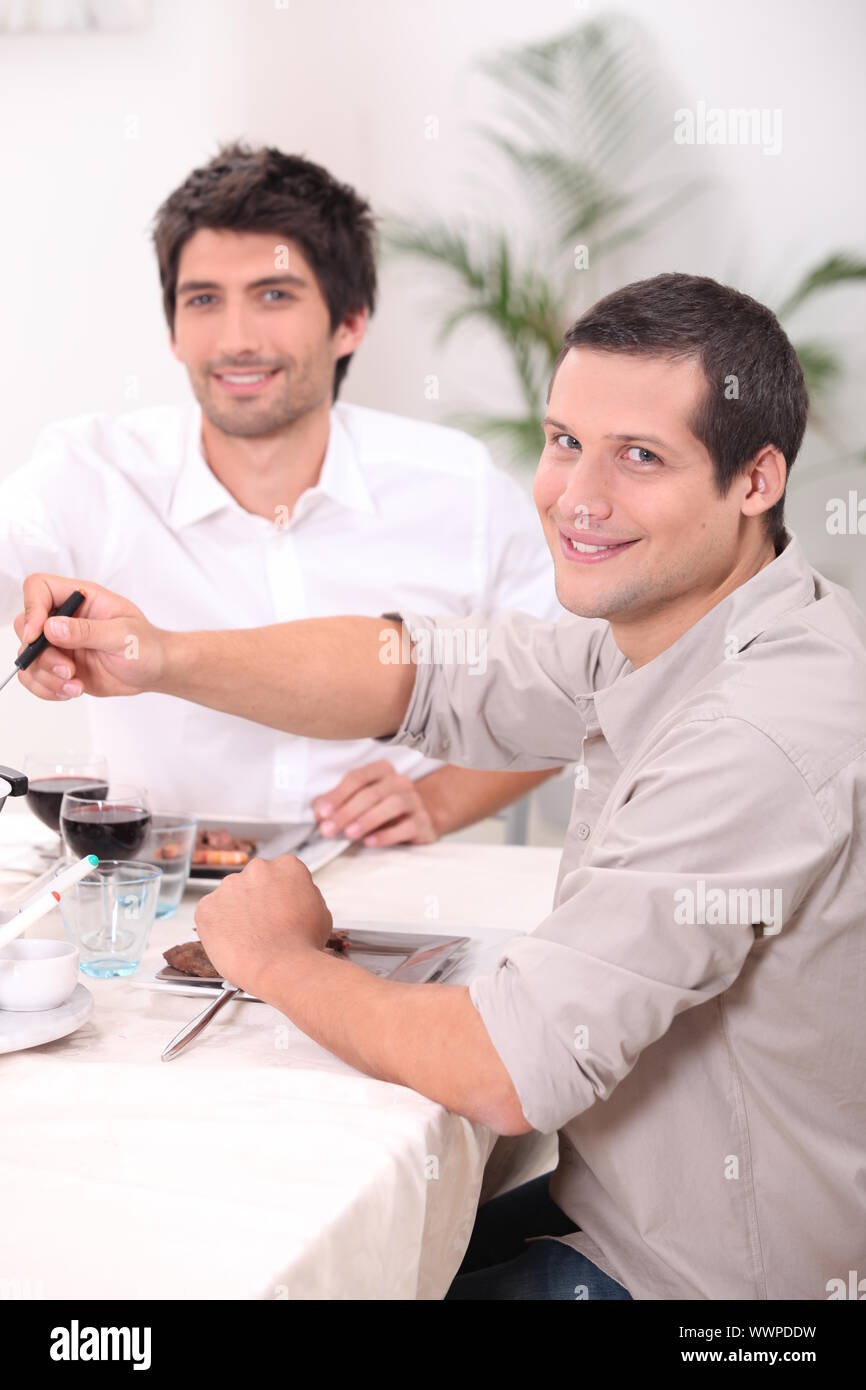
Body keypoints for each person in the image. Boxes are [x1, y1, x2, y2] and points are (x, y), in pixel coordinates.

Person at [14, 273, 866, 1300]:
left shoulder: (757, 729)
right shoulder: (689, 628)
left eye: (638, 457)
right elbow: (423, 668)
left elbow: (510, 1069)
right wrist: (158, 654)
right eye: (563, 442)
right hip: (624, 1207)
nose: (576, 497)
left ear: (754, 479)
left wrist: (275, 958)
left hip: (701, 1285)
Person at [0, 141, 561, 840]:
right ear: (173, 330)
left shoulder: (459, 489)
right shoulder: (90, 473)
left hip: (387, 888)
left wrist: (441, 800)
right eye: (203, 299)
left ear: (349, 321)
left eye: (273, 295)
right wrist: (37, 633)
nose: (236, 339)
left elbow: (574, 692)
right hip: (153, 889)